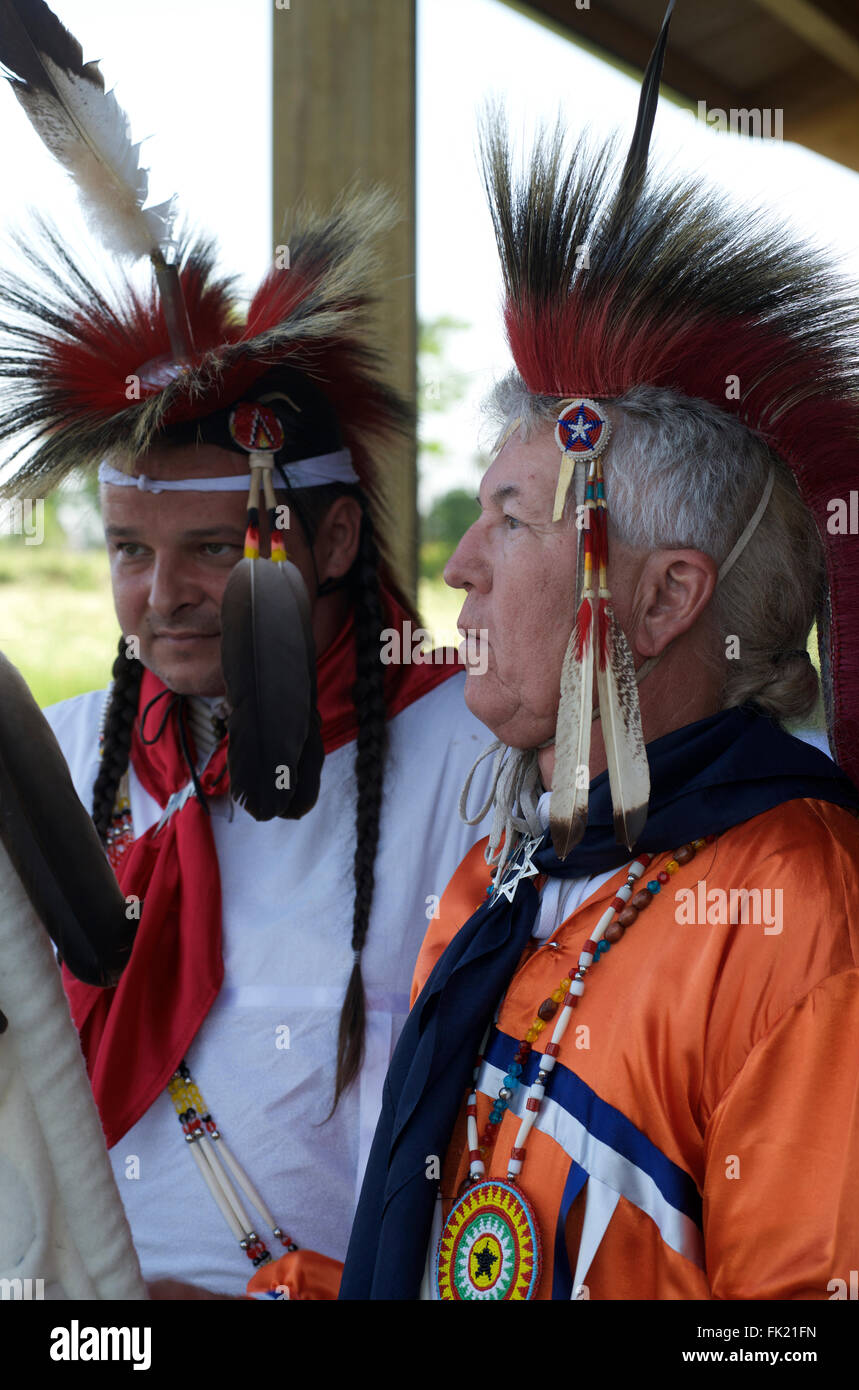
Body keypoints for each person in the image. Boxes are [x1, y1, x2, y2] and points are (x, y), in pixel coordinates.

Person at [340, 10, 859, 1300]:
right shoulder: (510, 867)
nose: (456, 569)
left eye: (511, 519)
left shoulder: (805, 913)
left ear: (666, 595)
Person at [0, 5, 489, 1299]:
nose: (160, 597)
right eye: (126, 550)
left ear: (331, 542)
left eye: (216, 550)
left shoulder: (474, 759)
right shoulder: (57, 755)